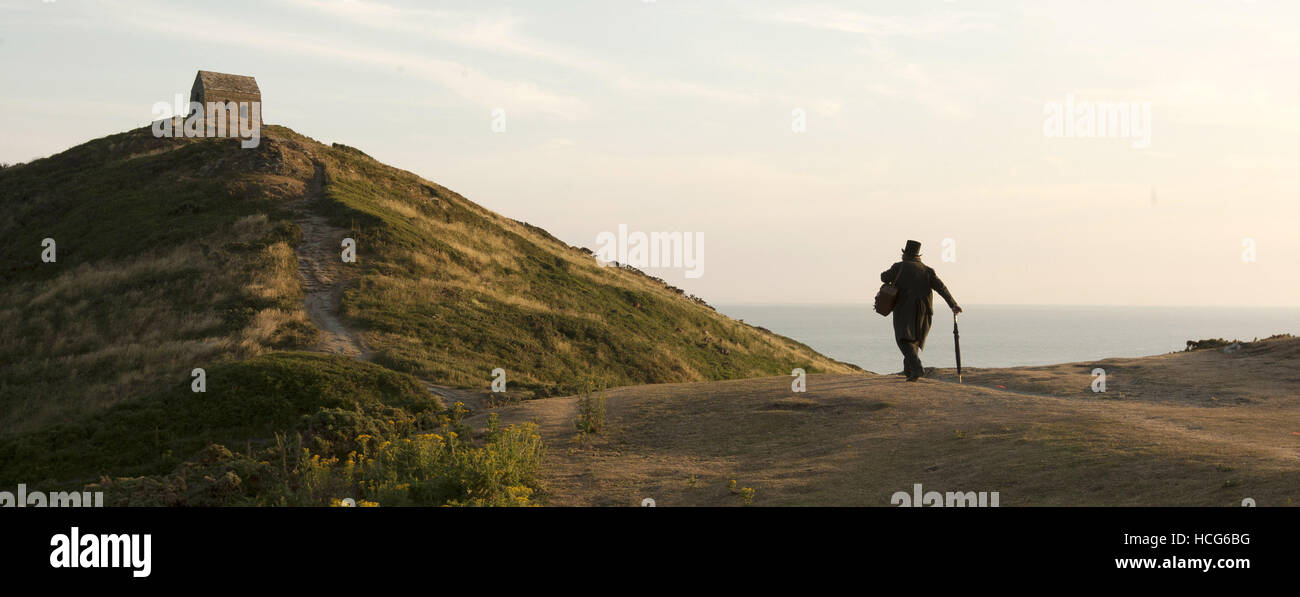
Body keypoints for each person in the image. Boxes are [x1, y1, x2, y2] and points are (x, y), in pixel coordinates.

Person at [880, 240, 961, 381]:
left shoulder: (899, 267)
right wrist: (953, 304)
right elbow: (942, 288)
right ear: (918, 255)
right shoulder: (927, 270)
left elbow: (884, 277)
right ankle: (909, 371)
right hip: (924, 310)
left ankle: (917, 368)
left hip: (904, 309)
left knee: (903, 339)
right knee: (914, 339)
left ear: (904, 253)